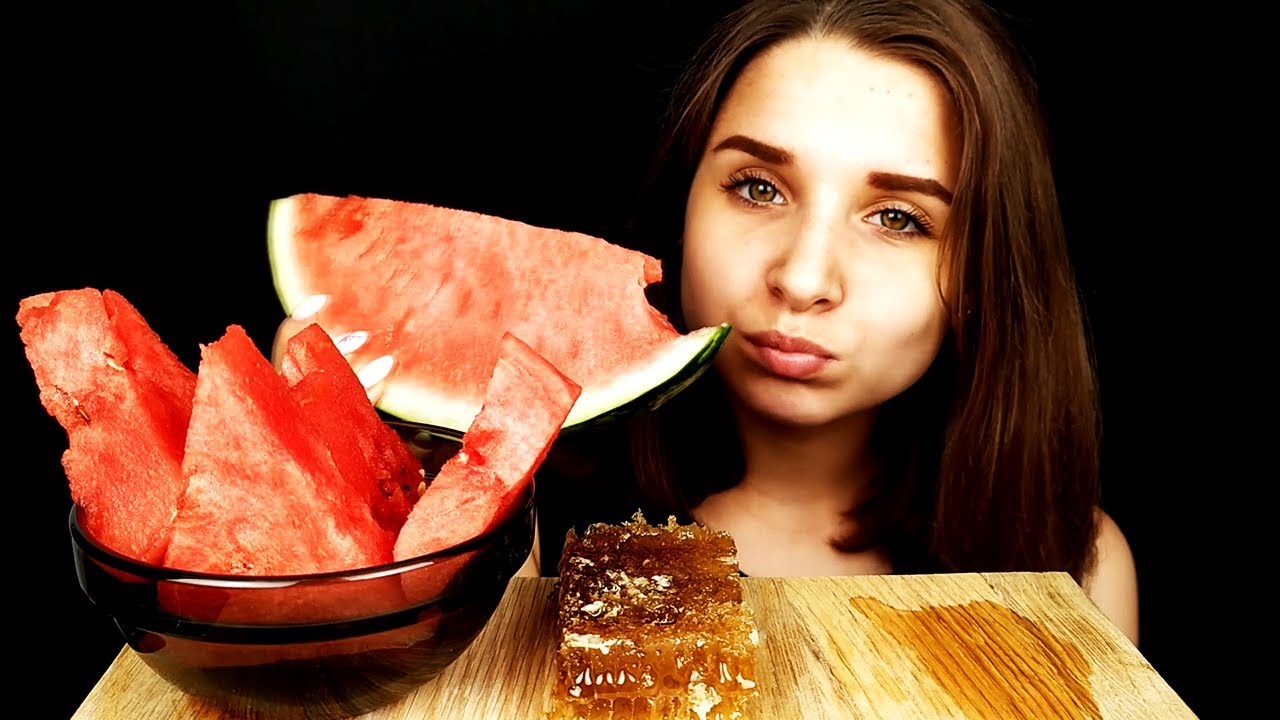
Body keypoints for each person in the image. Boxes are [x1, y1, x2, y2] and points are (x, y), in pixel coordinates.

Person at [276, 0, 1139, 646]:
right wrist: (356, 504)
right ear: (684, 201)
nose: (801, 278)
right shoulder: (532, 517)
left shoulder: (1076, 559)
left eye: (899, 219)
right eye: (758, 188)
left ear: (989, 272)